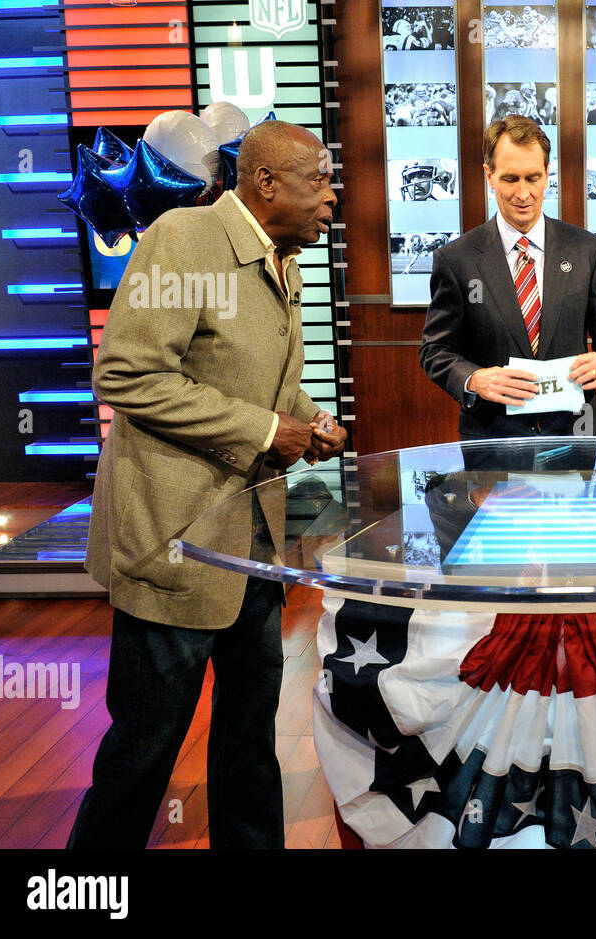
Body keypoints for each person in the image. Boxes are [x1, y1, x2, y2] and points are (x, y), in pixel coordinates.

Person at [69, 120, 346, 849]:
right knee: (143, 753)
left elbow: (245, 375)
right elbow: (127, 374)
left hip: (249, 545)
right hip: (172, 542)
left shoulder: (280, 258)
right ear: (265, 183)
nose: (331, 195)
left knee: (249, 743)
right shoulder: (184, 240)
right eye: (318, 179)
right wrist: (263, 429)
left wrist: (308, 418)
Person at [421, 115, 596, 440]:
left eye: (533, 178)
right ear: (489, 176)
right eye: (510, 179)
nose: (523, 193)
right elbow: (436, 350)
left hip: (574, 441)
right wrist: (474, 379)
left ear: (548, 175)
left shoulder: (586, 250)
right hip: (491, 445)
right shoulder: (456, 260)